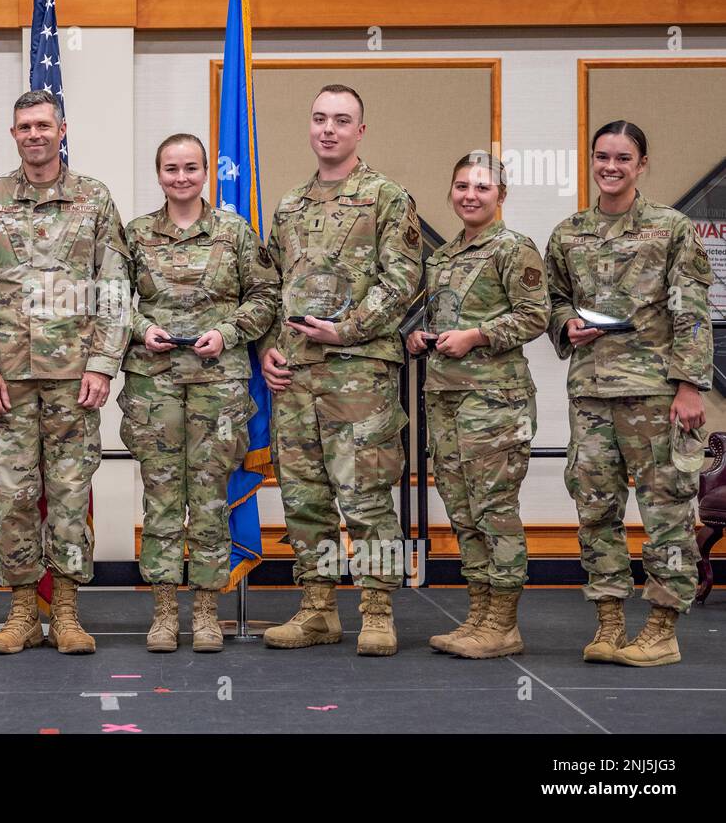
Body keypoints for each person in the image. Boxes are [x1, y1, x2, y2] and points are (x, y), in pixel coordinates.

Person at [0, 88, 131, 655]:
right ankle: (19, 614)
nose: (34, 135)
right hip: (7, 379)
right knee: (11, 496)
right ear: (14, 135)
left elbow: (114, 290)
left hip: (74, 380)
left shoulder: (94, 200)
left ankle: (68, 613)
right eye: (24, 127)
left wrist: (104, 365)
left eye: (43, 125)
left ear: (62, 130)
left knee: (69, 495)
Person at [259, 83, 421, 656]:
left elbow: (403, 281)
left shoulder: (386, 198)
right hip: (296, 376)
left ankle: (377, 610)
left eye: (342, 120)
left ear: (360, 131)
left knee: (367, 496)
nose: (329, 129)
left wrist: (346, 329)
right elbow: (272, 288)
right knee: (305, 497)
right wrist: (266, 350)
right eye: (320, 118)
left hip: (359, 374)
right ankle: (319, 609)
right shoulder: (289, 205)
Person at [545, 120, 710, 667]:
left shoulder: (671, 228)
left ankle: (661, 629)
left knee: (665, 511)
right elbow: (551, 300)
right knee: (595, 511)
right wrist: (566, 325)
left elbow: (692, 311)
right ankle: (610, 623)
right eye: (601, 157)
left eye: (622, 158)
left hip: (655, 395)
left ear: (641, 165)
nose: (610, 167)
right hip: (591, 394)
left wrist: (689, 387)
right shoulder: (569, 233)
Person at [121, 133, 277, 652]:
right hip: (154, 384)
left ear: (206, 171)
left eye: (191, 168)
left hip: (219, 384)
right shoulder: (137, 233)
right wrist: (142, 328)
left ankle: (207, 611)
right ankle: (165, 612)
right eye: (171, 169)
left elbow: (265, 295)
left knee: (210, 497)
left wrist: (228, 333)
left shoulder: (234, 231)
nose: (181, 177)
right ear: (158, 173)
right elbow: (111, 299)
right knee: (163, 496)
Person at [404, 152, 548, 658]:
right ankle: (479, 616)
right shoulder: (442, 257)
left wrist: (478, 336)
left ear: (501, 196)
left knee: (495, 511)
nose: (470, 195)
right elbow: (445, 317)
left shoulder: (513, 248)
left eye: (482, 187)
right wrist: (423, 338)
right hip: (444, 397)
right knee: (463, 513)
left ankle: (504, 624)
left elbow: (536, 316)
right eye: (462, 185)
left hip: (494, 401)